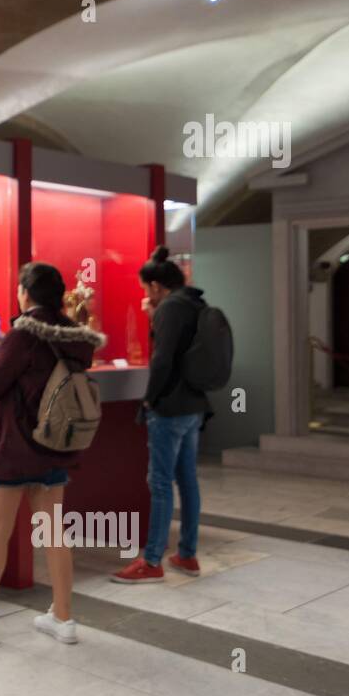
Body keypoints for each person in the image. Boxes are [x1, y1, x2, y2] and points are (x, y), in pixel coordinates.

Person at [0, 262, 106, 645]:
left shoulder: (21, 334)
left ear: (25, 294)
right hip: (55, 444)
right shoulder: (76, 335)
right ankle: (63, 619)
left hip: (13, 447)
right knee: (54, 532)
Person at [111, 246, 211, 584]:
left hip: (170, 408)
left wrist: (150, 400)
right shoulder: (197, 303)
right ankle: (187, 553)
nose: (145, 295)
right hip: (195, 405)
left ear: (155, 286)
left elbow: (164, 359)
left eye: (145, 288)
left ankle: (152, 560)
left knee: (160, 483)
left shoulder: (170, 308)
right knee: (187, 481)